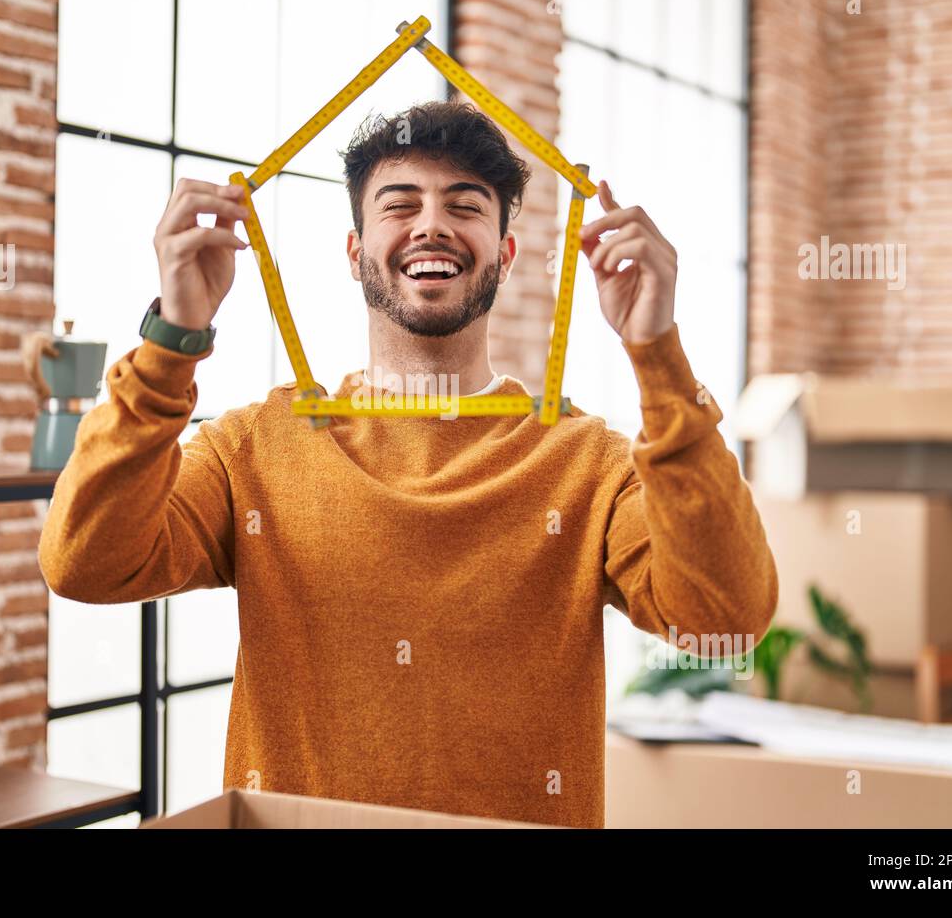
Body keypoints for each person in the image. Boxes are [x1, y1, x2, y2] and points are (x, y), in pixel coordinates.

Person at [38, 100, 777, 829]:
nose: (431, 225)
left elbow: (728, 617)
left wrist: (659, 356)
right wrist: (173, 339)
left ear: (505, 254)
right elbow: (86, 562)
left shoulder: (588, 463)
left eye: (465, 206)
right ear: (356, 253)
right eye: (400, 204)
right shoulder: (257, 448)